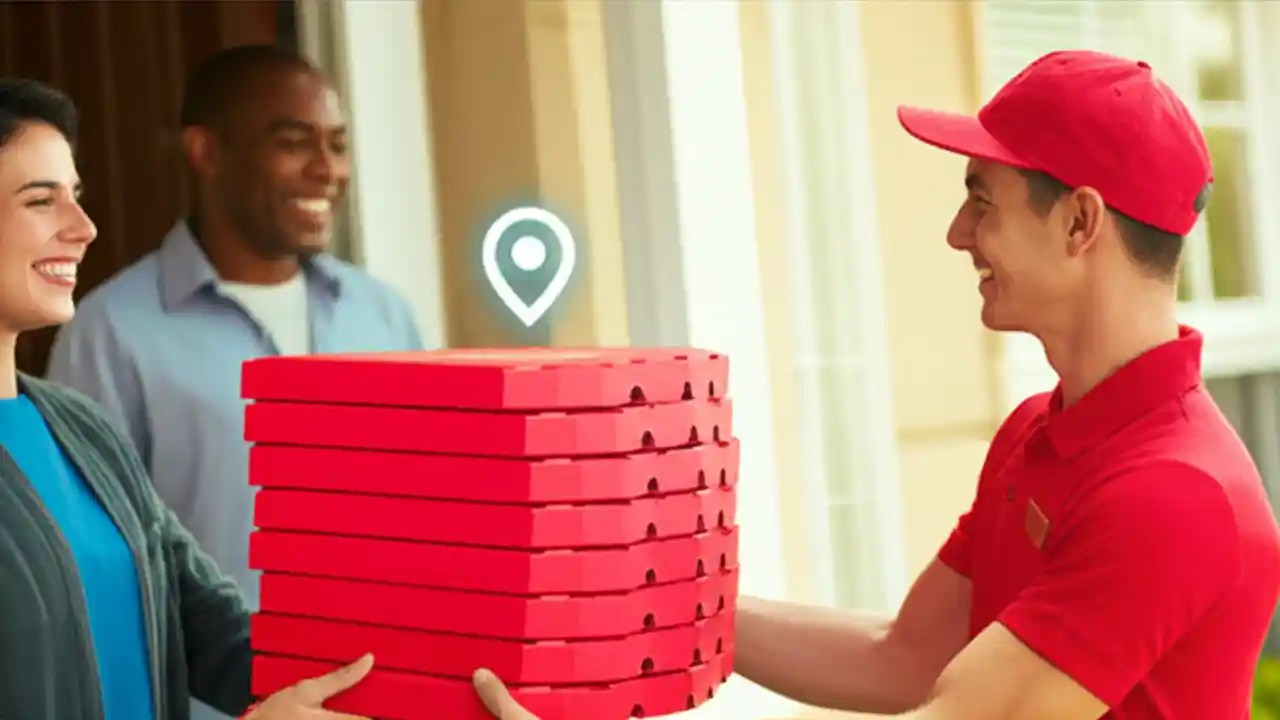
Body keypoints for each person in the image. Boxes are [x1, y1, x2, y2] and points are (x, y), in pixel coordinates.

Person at [471, 50, 1280, 719]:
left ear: (1079, 222)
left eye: (982, 200)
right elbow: (906, 658)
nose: (958, 233)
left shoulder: (1176, 496)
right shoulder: (1040, 431)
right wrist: (655, 601)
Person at [44, 43, 424, 720]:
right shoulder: (111, 332)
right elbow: (92, 570)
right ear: (206, 151)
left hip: (388, 699)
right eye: (293, 142)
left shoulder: (384, 314)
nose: (327, 169)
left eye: (337, 144)